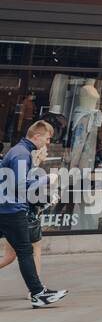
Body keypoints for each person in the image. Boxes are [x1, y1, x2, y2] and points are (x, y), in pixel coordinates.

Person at [0, 119, 65, 307]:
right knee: (25, 251)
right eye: (47, 138)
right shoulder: (21, 154)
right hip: (12, 210)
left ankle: (38, 292)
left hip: (7, 209)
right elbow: (21, 187)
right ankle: (38, 293)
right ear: (36, 136)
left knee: (21, 251)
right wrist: (46, 180)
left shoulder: (20, 151)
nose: (48, 142)